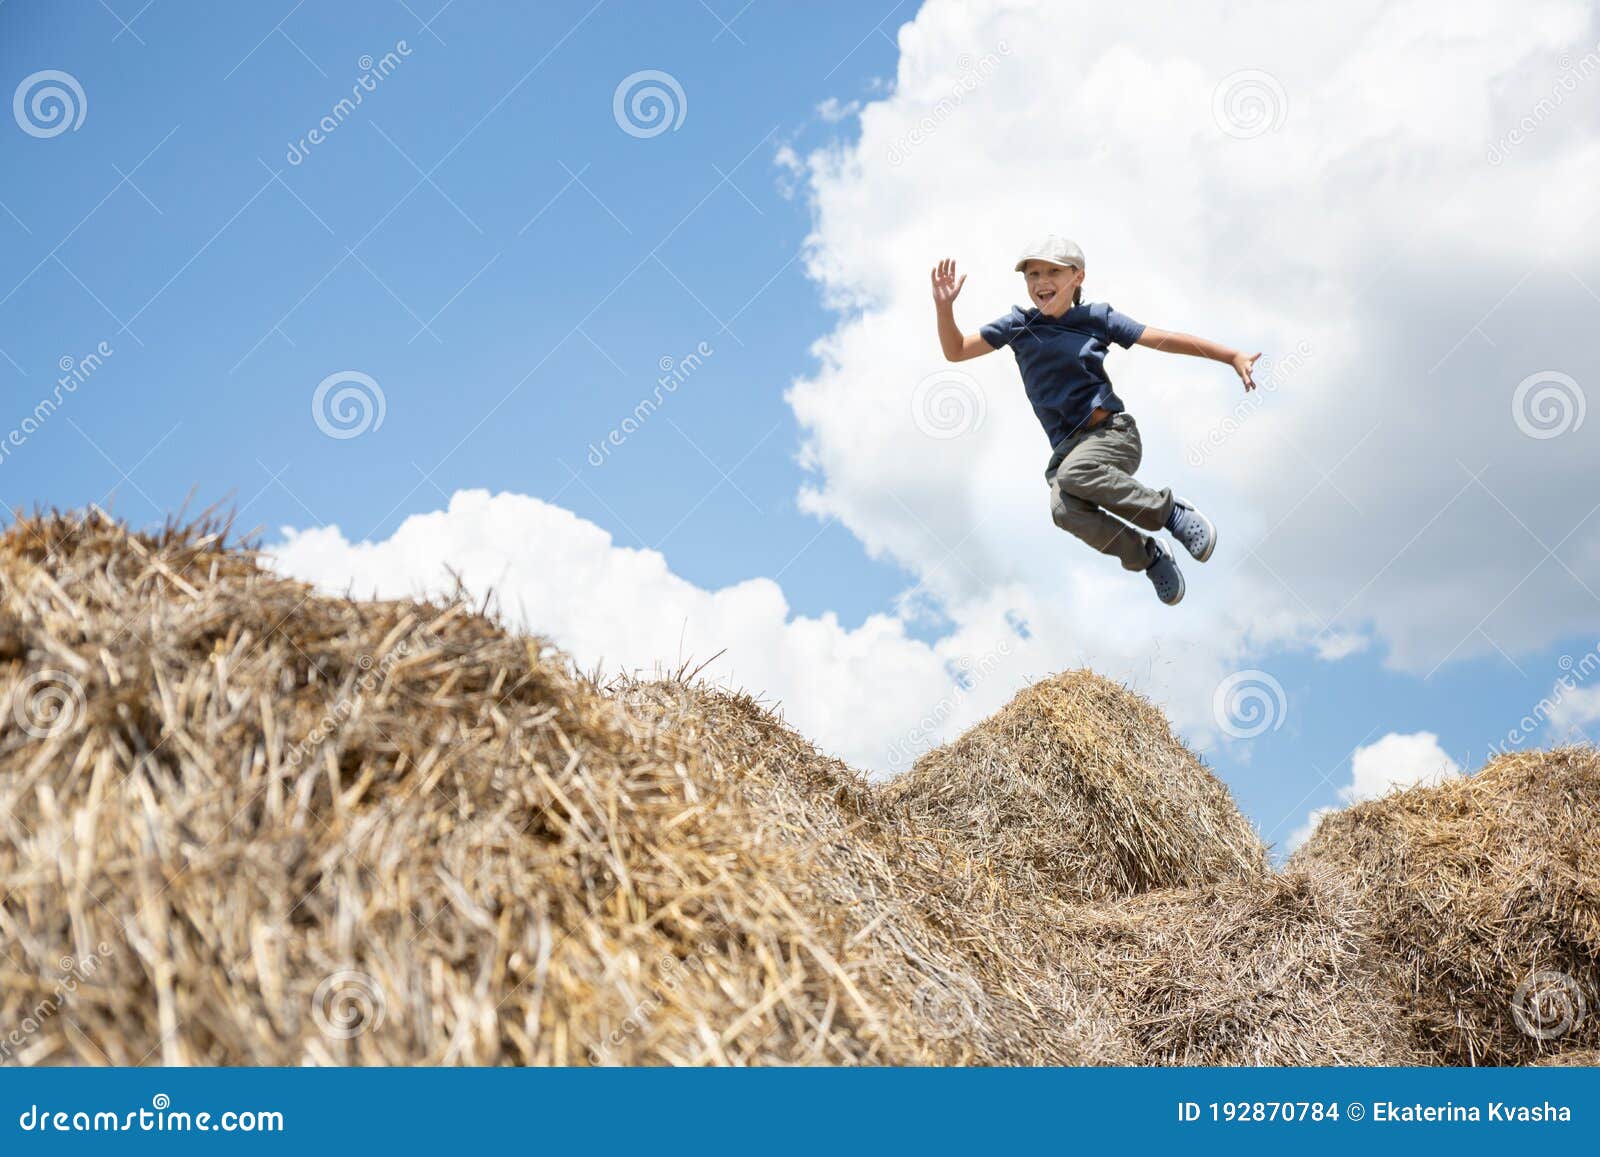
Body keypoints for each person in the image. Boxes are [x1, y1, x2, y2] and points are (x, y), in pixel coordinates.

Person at [930, 235, 1259, 605]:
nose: (1041, 282)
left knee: (1073, 476)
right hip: (1069, 453)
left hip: (1112, 435)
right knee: (1063, 509)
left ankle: (1171, 513)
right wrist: (945, 309)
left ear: (1078, 277)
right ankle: (1148, 556)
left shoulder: (1097, 319)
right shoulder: (1017, 326)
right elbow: (956, 351)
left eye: (1053, 271)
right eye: (1033, 274)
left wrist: (1231, 356)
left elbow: (1164, 340)